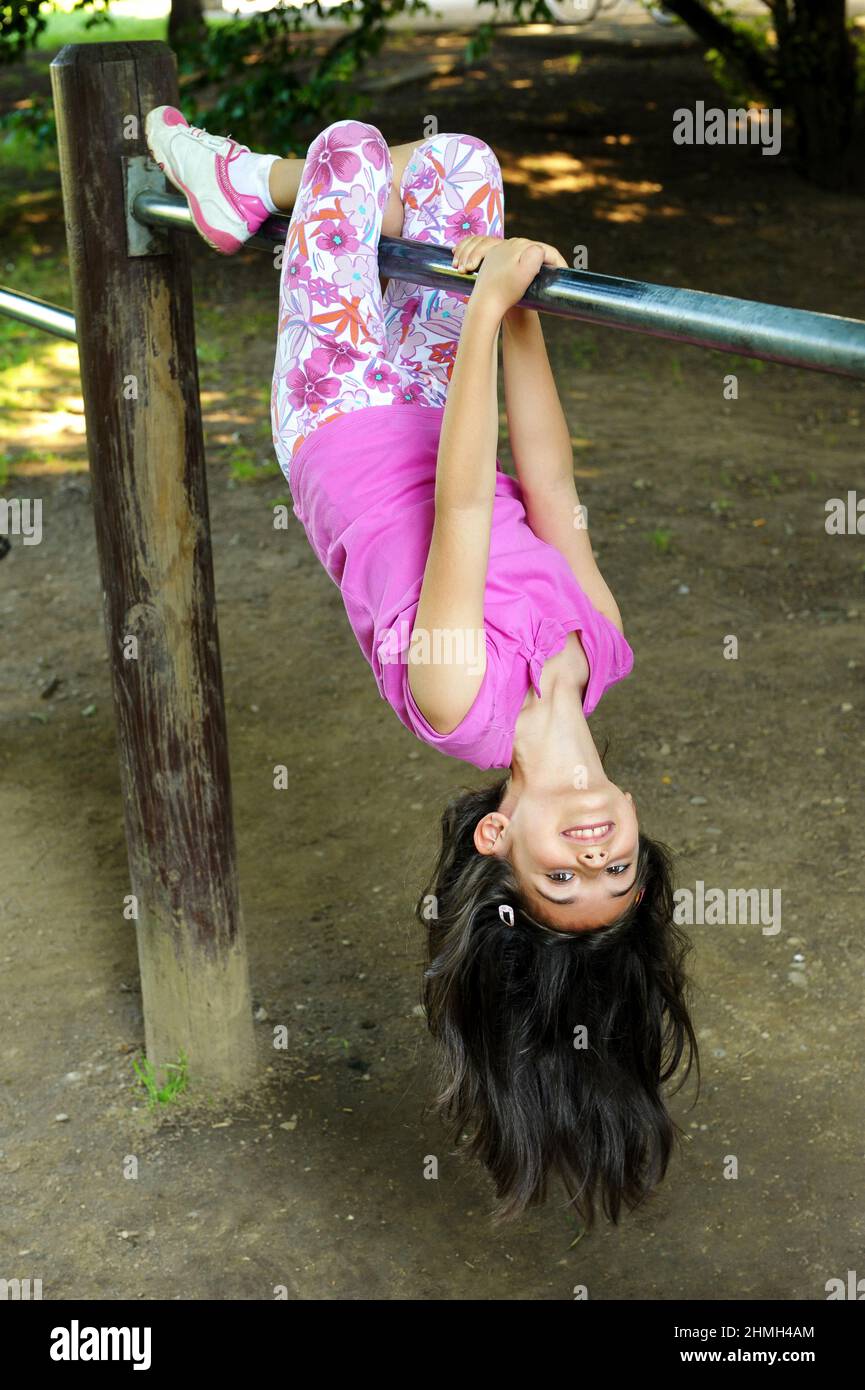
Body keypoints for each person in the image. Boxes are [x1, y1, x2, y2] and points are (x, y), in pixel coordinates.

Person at [146, 108, 699, 1223]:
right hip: (444, 403)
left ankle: (238, 183)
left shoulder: (461, 704)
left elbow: (463, 512)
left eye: (559, 880)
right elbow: (548, 480)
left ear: (500, 840)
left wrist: (484, 310)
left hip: (344, 418)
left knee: (352, 155)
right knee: (458, 166)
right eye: (617, 877)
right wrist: (524, 305)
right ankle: (253, 191)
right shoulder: (601, 648)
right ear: (641, 844)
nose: (593, 857)